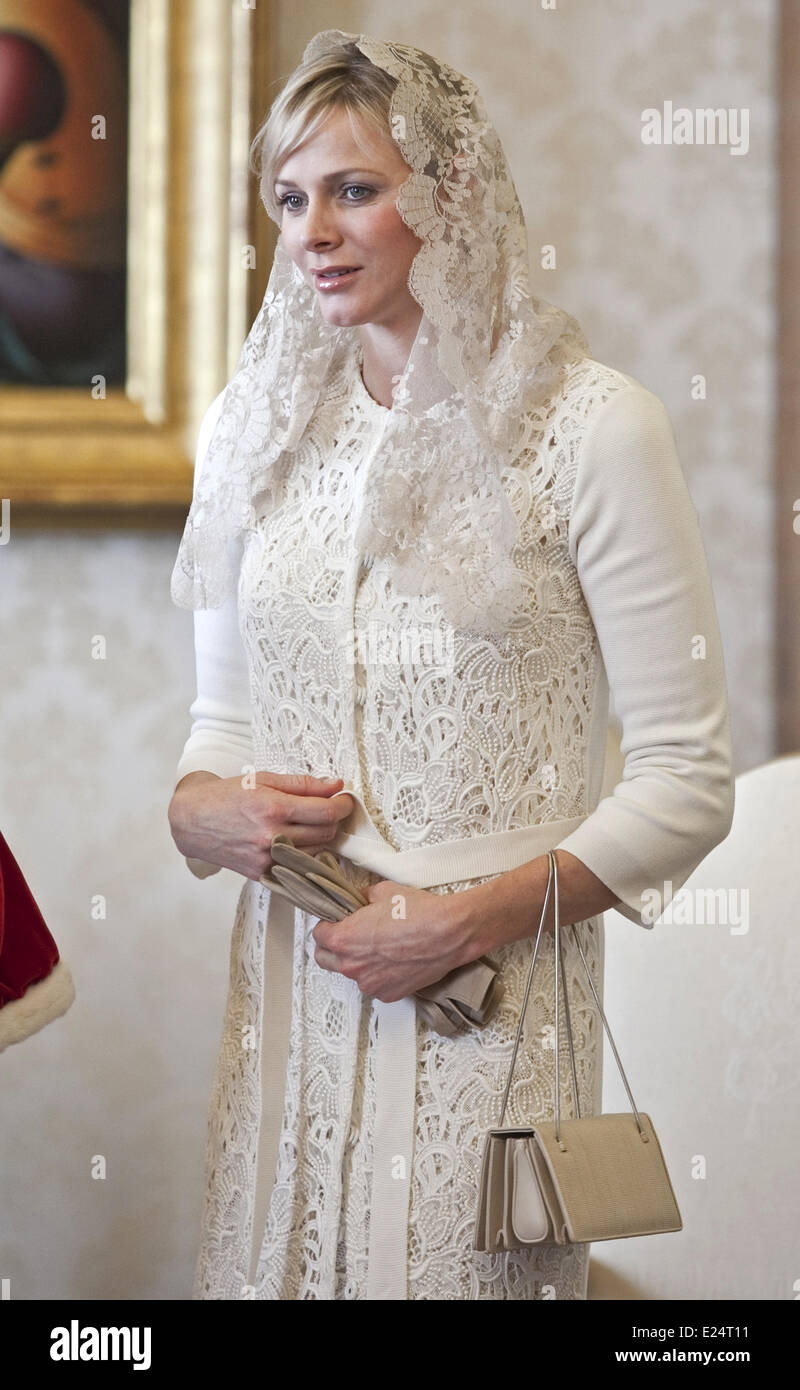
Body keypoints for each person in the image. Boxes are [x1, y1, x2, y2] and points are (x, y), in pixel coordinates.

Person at [167, 30, 734, 1301]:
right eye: (290, 196)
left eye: (355, 189)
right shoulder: (253, 431)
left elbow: (689, 780)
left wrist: (456, 922)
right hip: (295, 996)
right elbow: (219, 725)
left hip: (490, 1009)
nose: (312, 230)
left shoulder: (593, 429)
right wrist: (198, 810)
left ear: (454, 192)